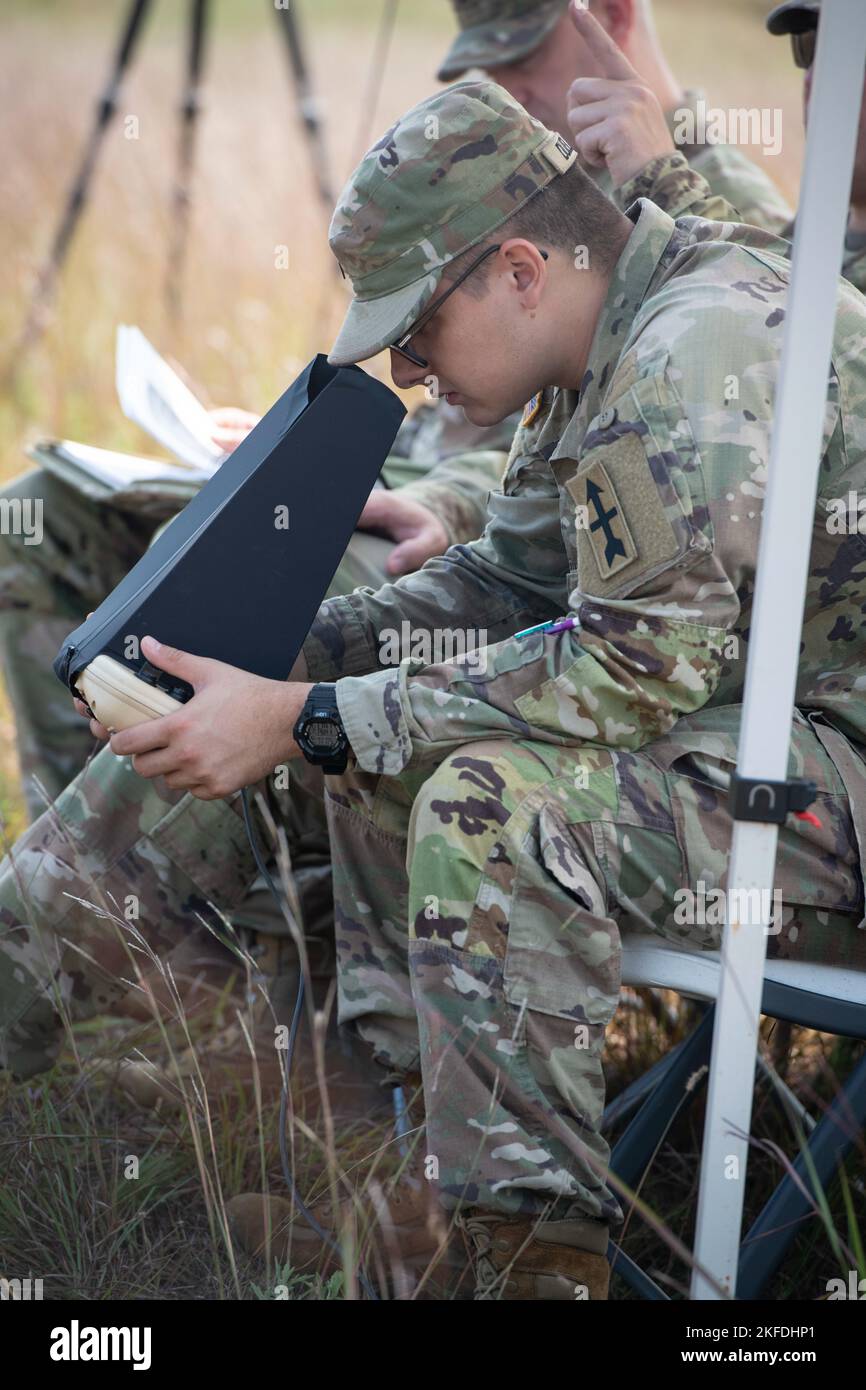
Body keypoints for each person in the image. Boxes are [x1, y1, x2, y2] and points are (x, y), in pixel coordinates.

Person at [5, 80, 866, 1299]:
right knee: (368, 715)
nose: (407, 371)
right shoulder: (595, 347)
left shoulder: (694, 348)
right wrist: (303, 659)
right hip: (743, 737)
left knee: (481, 796)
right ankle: (404, 1184)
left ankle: (525, 1265)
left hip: (833, 780)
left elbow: (628, 664)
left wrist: (303, 719)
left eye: (417, 329)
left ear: (519, 269)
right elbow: (504, 585)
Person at [569, 0, 866, 294]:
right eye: (811, 47)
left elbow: (761, 329)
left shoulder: (742, 192)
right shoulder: (821, 231)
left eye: (853, 54)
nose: (818, 77)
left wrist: (661, 180)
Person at [439, 0, 793, 231]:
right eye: (492, 74)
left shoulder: (737, 208)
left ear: (614, 14)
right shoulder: (563, 177)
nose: (511, 96)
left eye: (524, 61)